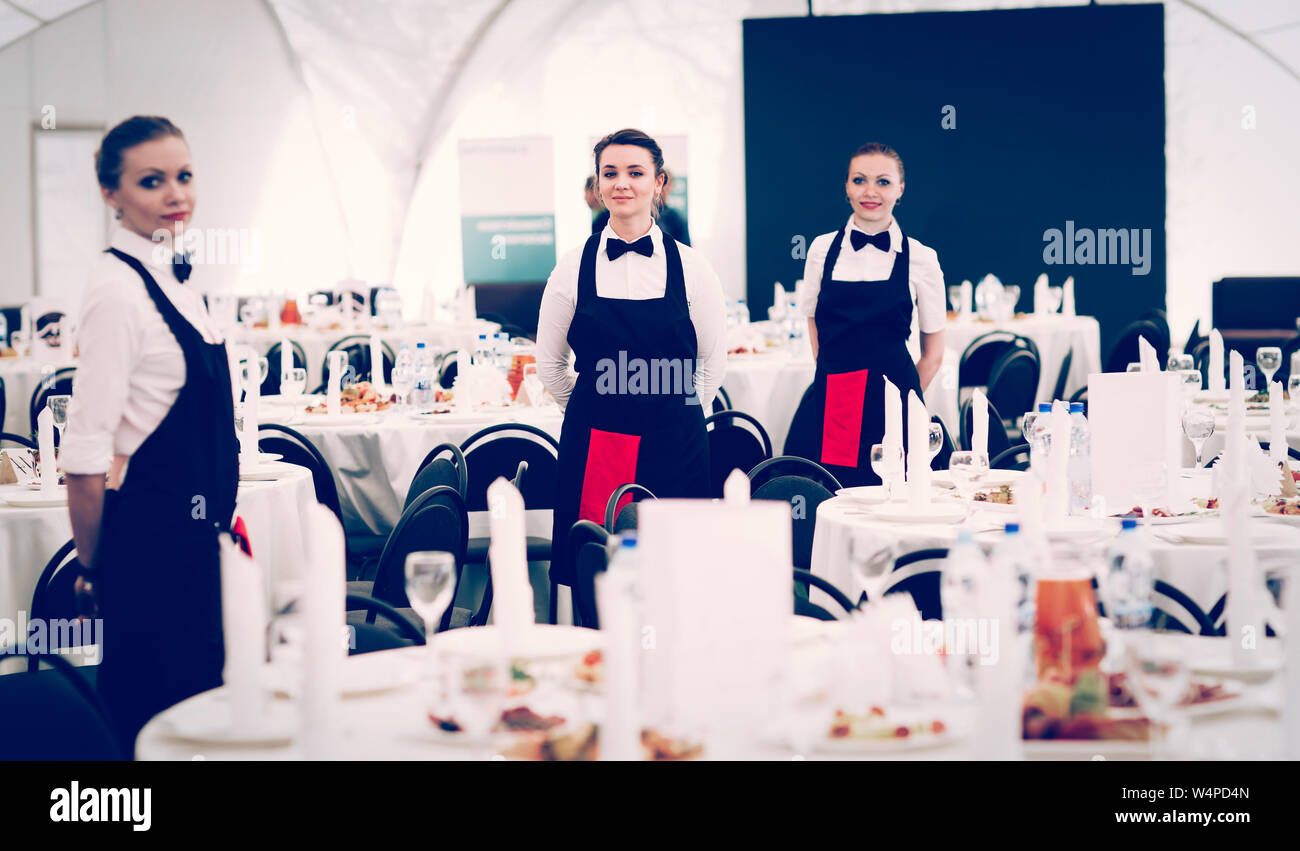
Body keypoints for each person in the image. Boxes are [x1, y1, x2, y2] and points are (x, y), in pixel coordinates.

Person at [63, 116, 238, 755]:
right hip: (152, 553)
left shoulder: (175, 279)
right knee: (156, 725)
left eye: (185, 176)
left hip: (200, 549)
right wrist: (93, 568)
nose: (176, 195)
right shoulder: (115, 290)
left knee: (204, 725)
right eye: (152, 181)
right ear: (111, 194)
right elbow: (83, 456)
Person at [539, 128, 725, 573]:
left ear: (658, 183)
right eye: (610, 173)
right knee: (599, 574)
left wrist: (672, 415)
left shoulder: (693, 267)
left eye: (635, 172)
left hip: (676, 446)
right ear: (598, 184)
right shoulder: (570, 267)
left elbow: (713, 364)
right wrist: (594, 408)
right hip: (596, 442)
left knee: (676, 574)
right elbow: (550, 366)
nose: (622, 183)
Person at [784, 142, 945, 487]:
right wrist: (830, 372)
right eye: (860, 180)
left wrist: (904, 401)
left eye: (883, 182)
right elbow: (812, 318)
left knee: (896, 495)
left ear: (900, 189)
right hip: (835, 397)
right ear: (847, 186)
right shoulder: (820, 249)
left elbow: (933, 355)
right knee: (837, 494)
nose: (870, 191)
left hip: (896, 397)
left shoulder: (921, 257)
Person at [654, 169, 691, 247]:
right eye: (659, 182)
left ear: (671, 187)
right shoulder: (640, 214)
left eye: (666, 183)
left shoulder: (677, 219)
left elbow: (686, 250)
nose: (662, 186)